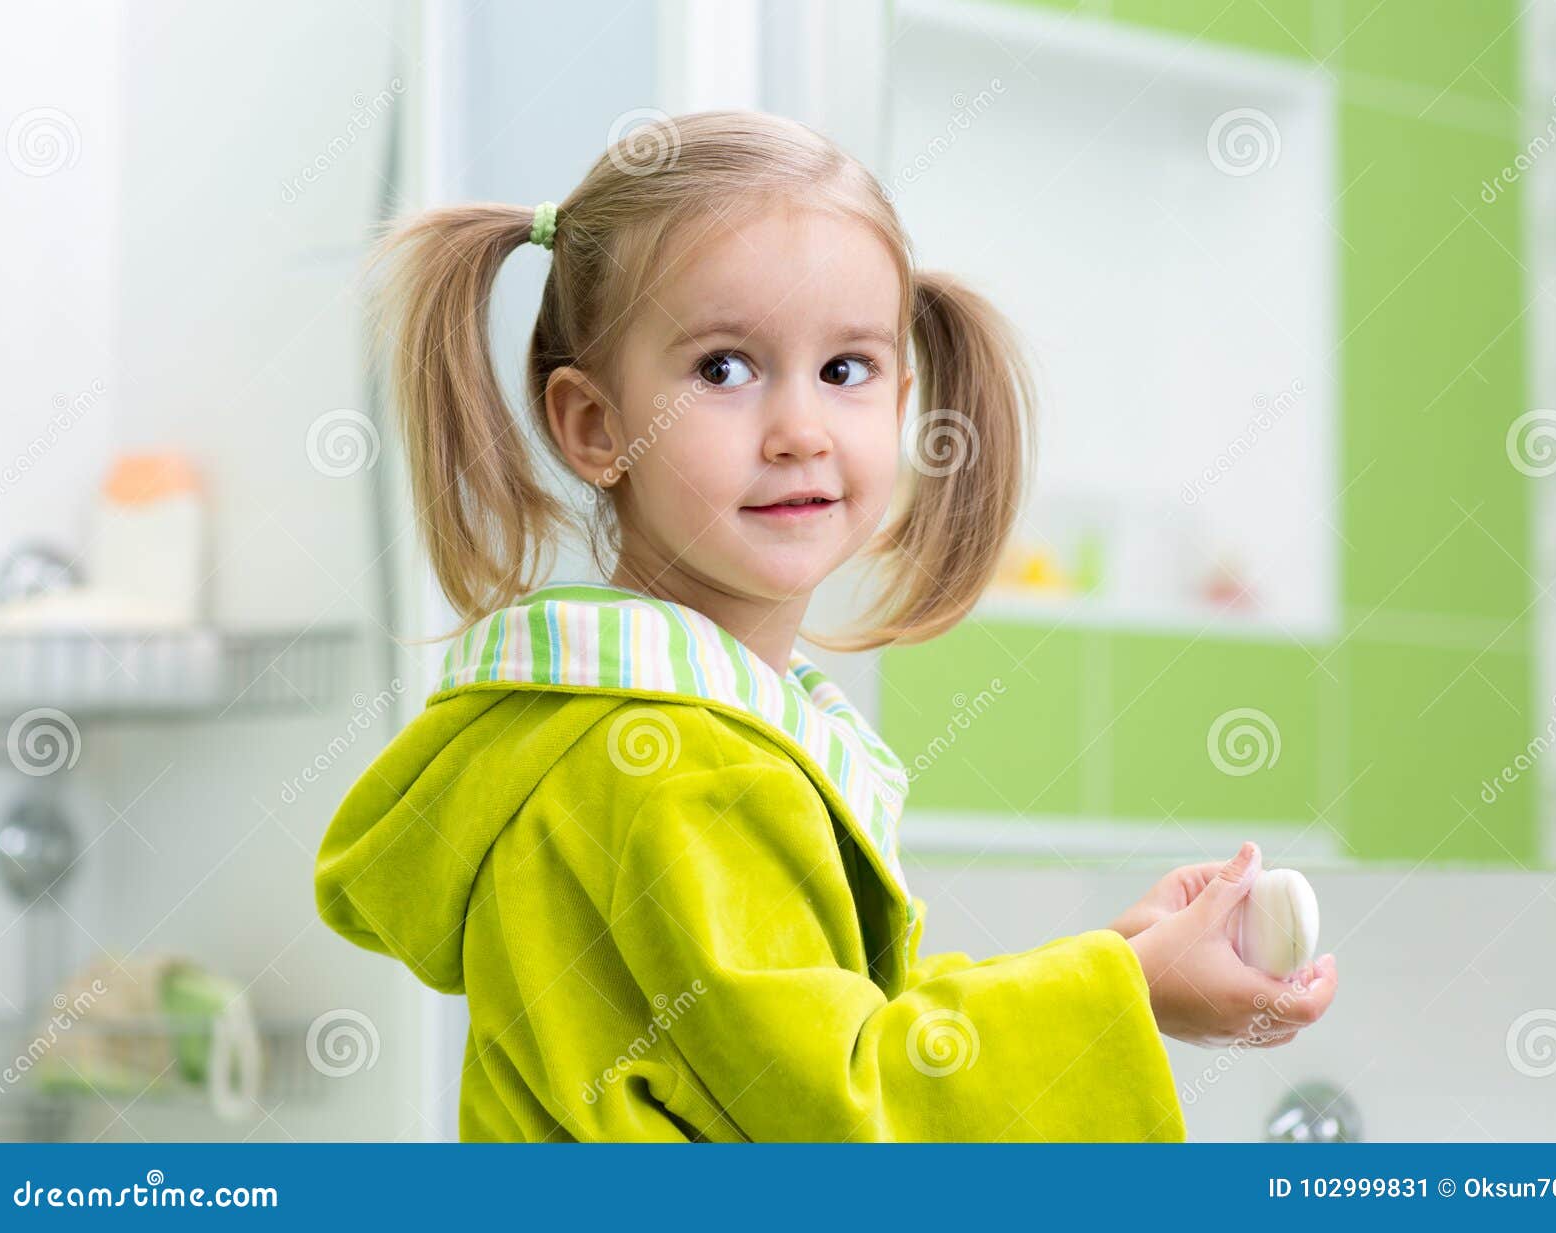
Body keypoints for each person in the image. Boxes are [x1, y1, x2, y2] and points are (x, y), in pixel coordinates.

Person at [313, 109, 1336, 1142]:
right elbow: (838, 1111)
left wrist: (1109, 962)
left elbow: (822, 1019)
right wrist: (1127, 993)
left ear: (901, 397)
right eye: (723, 368)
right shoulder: (678, 767)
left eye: (845, 370)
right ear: (594, 424)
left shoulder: (637, 721)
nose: (800, 432)